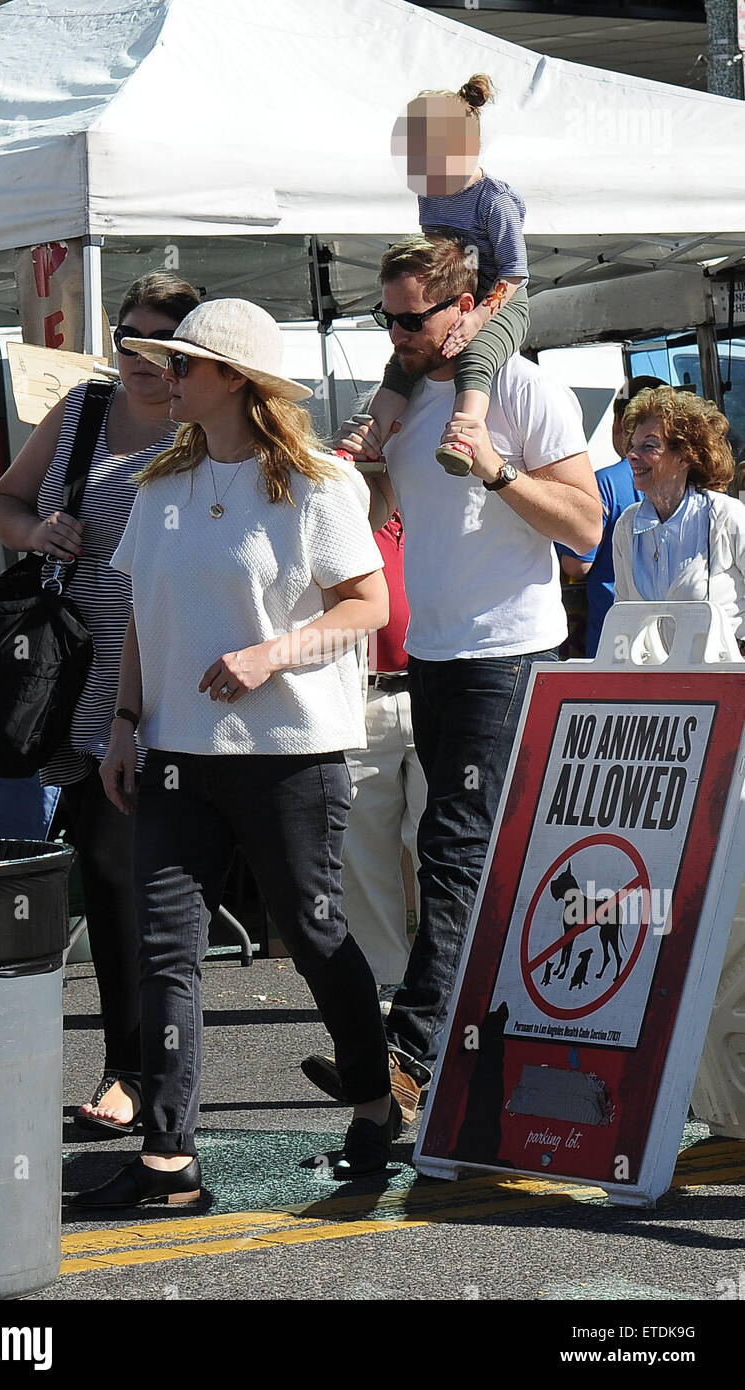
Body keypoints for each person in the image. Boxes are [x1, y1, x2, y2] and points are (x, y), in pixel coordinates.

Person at [71, 298, 398, 1209]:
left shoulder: (319, 483)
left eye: (183, 366)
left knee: (310, 928)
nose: (165, 380)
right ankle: (170, 1156)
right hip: (175, 749)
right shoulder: (157, 487)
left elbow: (366, 605)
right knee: (165, 949)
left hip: (291, 750)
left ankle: (374, 1099)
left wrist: (269, 656)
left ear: (234, 380)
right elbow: (140, 614)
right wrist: (126, 722)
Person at [301, 234, 601, 1125]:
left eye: (411, 317)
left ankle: (412, 1050)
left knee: (455, 845)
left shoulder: (522, 388)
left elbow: (586, 528)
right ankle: (486, 1044)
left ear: (466, 308)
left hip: (507, 650)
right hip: (432, 649)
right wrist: (360, 472)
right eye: (385, 316)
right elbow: (385, 518)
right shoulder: (404, 397)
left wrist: (500, 471)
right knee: (477, 852)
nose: (395, 331)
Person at [0, 272, 200, 1134]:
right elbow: (5, 500)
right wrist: (39, 531)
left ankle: (175, 1080)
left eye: (159, 343)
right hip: (87, 682)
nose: (140, 358)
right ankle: (131, 1070)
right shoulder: (83, 410)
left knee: (175, 886)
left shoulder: (211, 420)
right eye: (128, 339)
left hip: (186, 676)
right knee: (110, 875)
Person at [369, 75, 529, 475]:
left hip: (501, 298)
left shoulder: (495, 200)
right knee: (401, 361)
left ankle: (465, 432)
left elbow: (514, 274)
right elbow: (438, 259)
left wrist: (477, 317)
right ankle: (370, 435)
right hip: (456, 296)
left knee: (474, 354)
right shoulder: (429, 193)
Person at [341, 511, 427, 1008]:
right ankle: (386, 983)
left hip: (432, 688)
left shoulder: (431, 492)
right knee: (362, 849)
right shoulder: (343, 492)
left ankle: (445, 978)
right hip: (362, 694)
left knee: (438, 843)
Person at [612, 385, 745, 648]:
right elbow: (622, 612)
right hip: (656, 684)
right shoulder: (627, 526)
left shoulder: (726, 516)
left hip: (724, 680)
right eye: (633, 445)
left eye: (649, 446)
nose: (632, 455)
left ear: (685, 456)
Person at [558, 376, 665, 656]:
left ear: (619, 423)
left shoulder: (603, 484)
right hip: (672, 643)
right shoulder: (688, 484)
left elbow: (575, 566)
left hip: (614, 643)